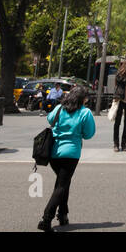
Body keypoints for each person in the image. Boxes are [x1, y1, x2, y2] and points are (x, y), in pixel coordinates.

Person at [38, 85, 95, 232]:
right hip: (71, 154)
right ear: (83, 99)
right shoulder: (85, 112)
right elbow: (89, 134)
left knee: (64, 183)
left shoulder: (59, 108)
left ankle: (63, 215)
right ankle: (46, 218)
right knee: (61, 186)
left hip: (53, 153)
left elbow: (50, 120)